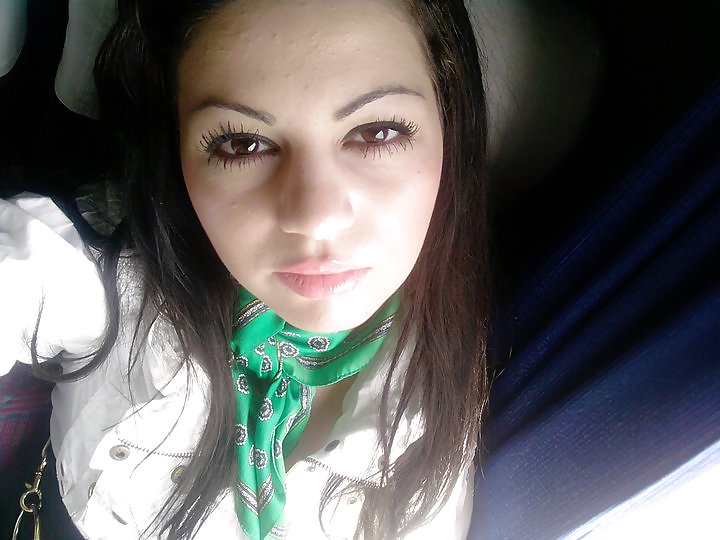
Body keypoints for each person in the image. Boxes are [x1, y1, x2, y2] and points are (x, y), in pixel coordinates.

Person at [0, 0, 490, 538]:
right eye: (243, 144)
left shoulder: (473, 353)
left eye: (378, 132)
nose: (316, 217)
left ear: (448, 126)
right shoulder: (105, 268)